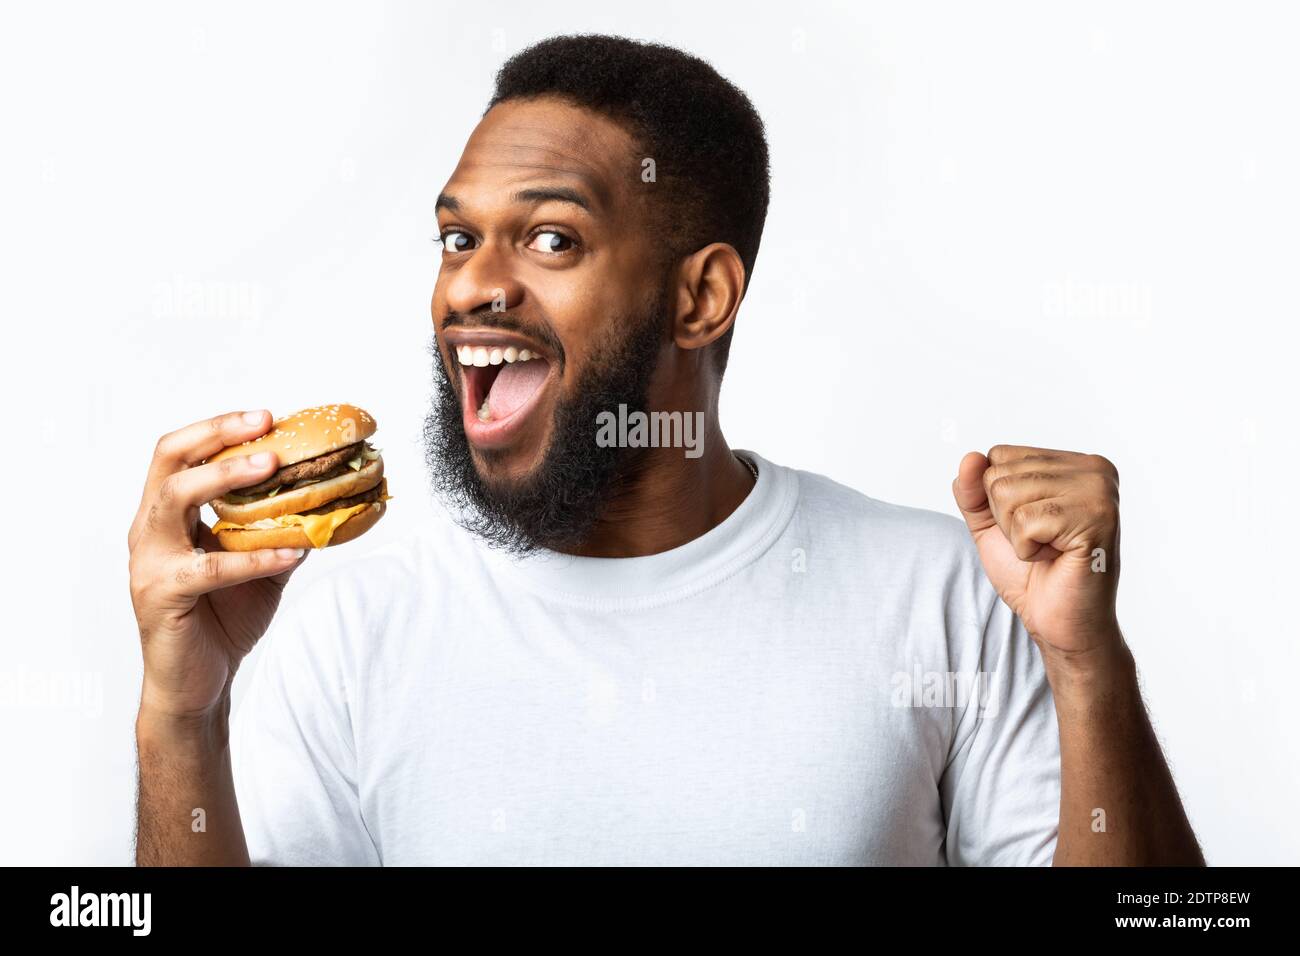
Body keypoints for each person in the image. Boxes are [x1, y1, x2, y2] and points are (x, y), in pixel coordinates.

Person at [129, 34, 1202, 866]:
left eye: (550, 238)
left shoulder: (942, 594)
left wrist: (1085, 662)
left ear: (700, 296)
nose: (471, 285)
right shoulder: (353, 634)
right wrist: (182, 710)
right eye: (458, 236)